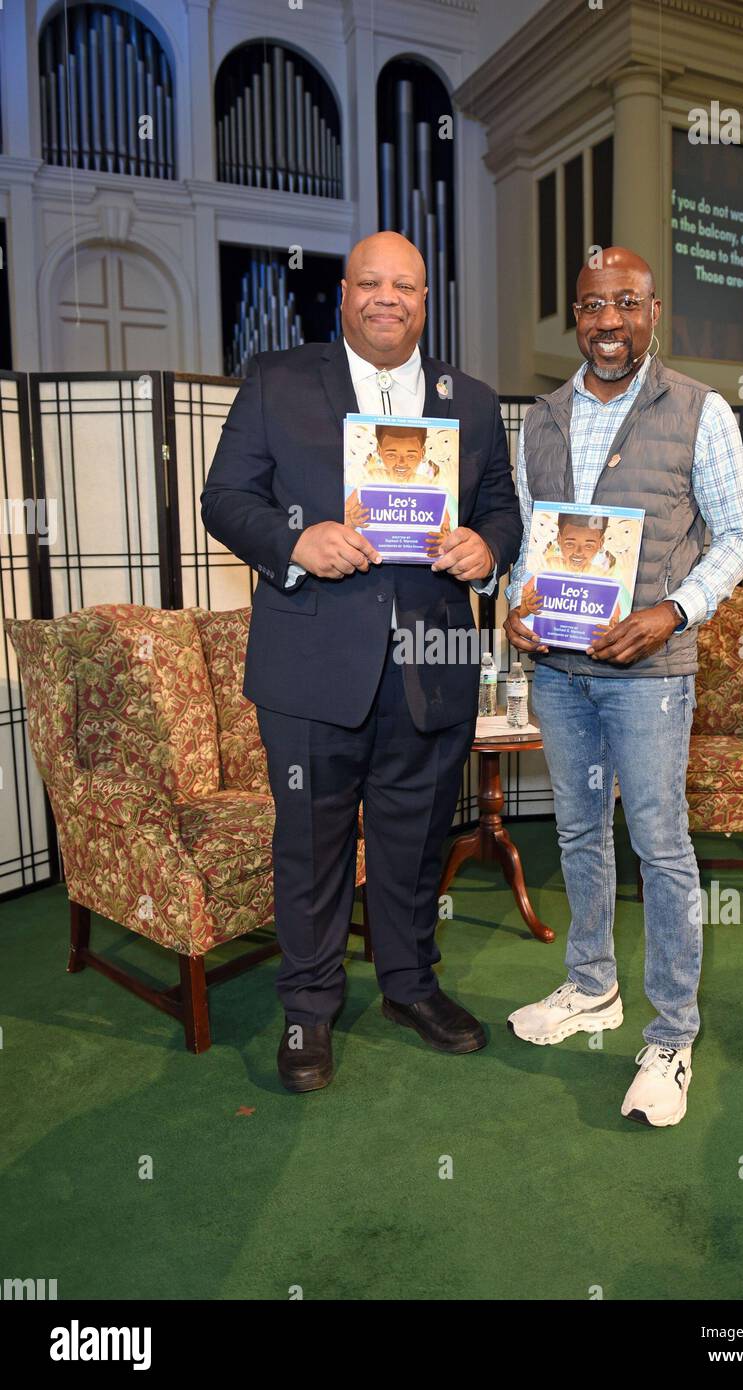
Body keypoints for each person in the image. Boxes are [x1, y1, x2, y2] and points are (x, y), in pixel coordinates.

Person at [201, 232, 522, 1092]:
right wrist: (296, 540)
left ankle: (411, 988)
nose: (388, 298)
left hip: (433, 663)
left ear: (425, 300)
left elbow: (502, 509)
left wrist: (485, 548)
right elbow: (223, 498)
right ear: (343, 294)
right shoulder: (275, 380)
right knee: (309, 844)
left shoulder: (475, 402)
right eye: (371, 283)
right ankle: (308, 1009)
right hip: (310, 665)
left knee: (415, 844)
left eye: (406, 285)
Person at [504, 246, 743, 1127]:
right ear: (573, 318)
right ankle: (591, 987)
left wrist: (675, 612)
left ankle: (671, 1033)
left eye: (625, 304)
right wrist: (513, 606)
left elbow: (739, 532)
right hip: (558, 671)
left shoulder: (700, 410)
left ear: (653, 312)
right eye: (590, 306)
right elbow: (529, 543)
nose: (606, 321)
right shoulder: (537, 419)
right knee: (578, 830)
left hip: (649, 672)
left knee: (659, 844)